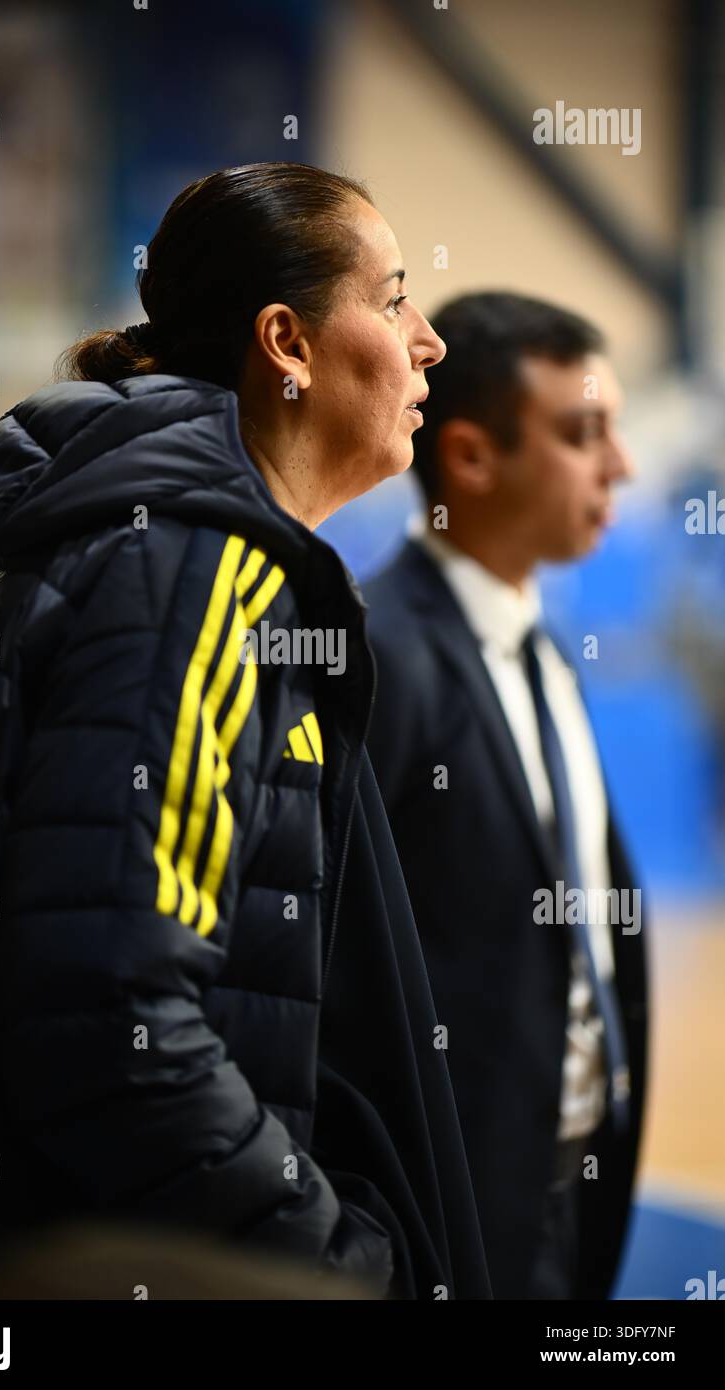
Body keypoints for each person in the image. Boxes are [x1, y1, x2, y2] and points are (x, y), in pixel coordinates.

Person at [0, 162, 491, 1300]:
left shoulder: (127, 535)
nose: (426, 341)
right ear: (286, 343)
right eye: (393, 298)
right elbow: (113, 1018)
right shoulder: (196, 565)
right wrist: (335, 1266)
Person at [364, 291, 649, 1299]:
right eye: (583, 434)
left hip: (565, 1179)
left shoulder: (540, 653)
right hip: (451, 1205)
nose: (619, 467)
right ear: (473, 459)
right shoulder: (378, 655)